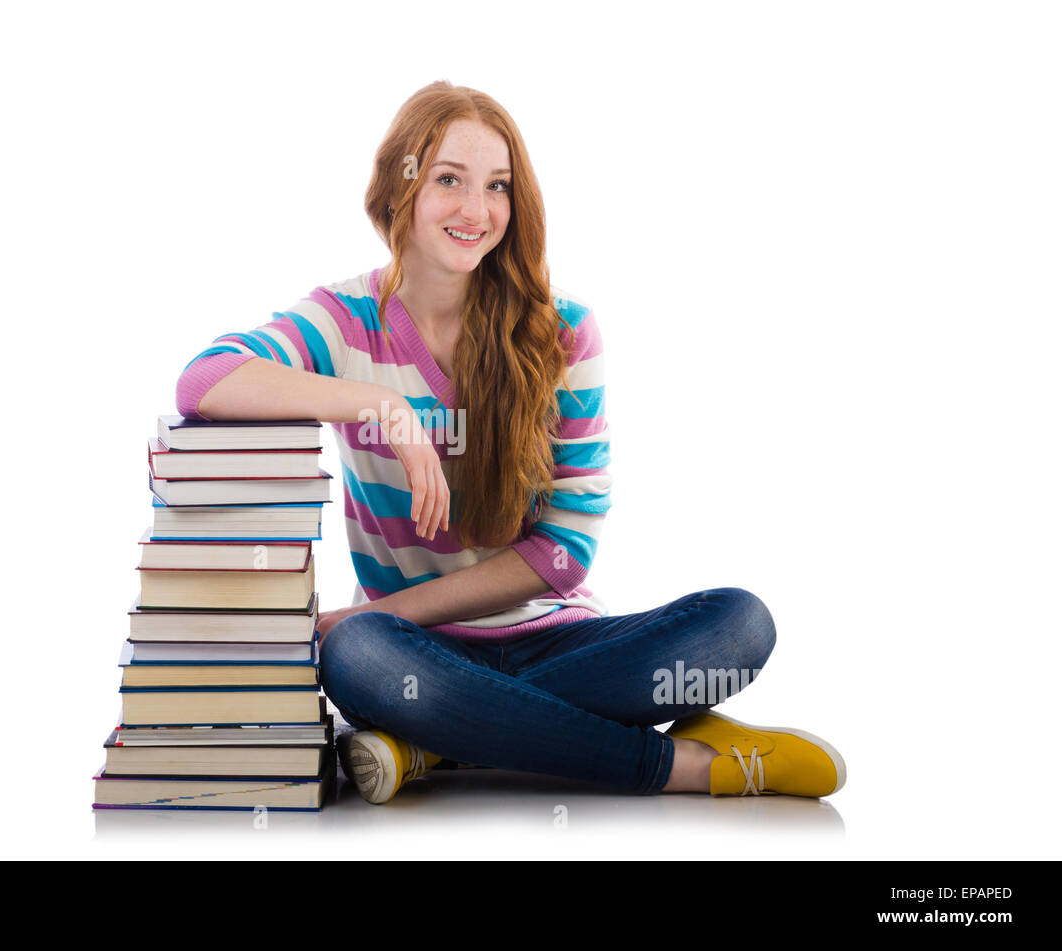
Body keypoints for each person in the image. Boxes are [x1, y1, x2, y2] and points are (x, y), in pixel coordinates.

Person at [175, 80, 845, 805]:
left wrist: (383, 615)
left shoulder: (563, 333)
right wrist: (381, 404)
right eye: (448, 180)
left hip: (556, 639)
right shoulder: (343, 322)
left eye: (497, 186)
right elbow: (205, 379)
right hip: (411, 653)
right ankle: (691, 766)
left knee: (737, 625)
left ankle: (435, 741)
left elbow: (565, 552)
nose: (477, 209)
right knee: (354, 656)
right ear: (398, 190)